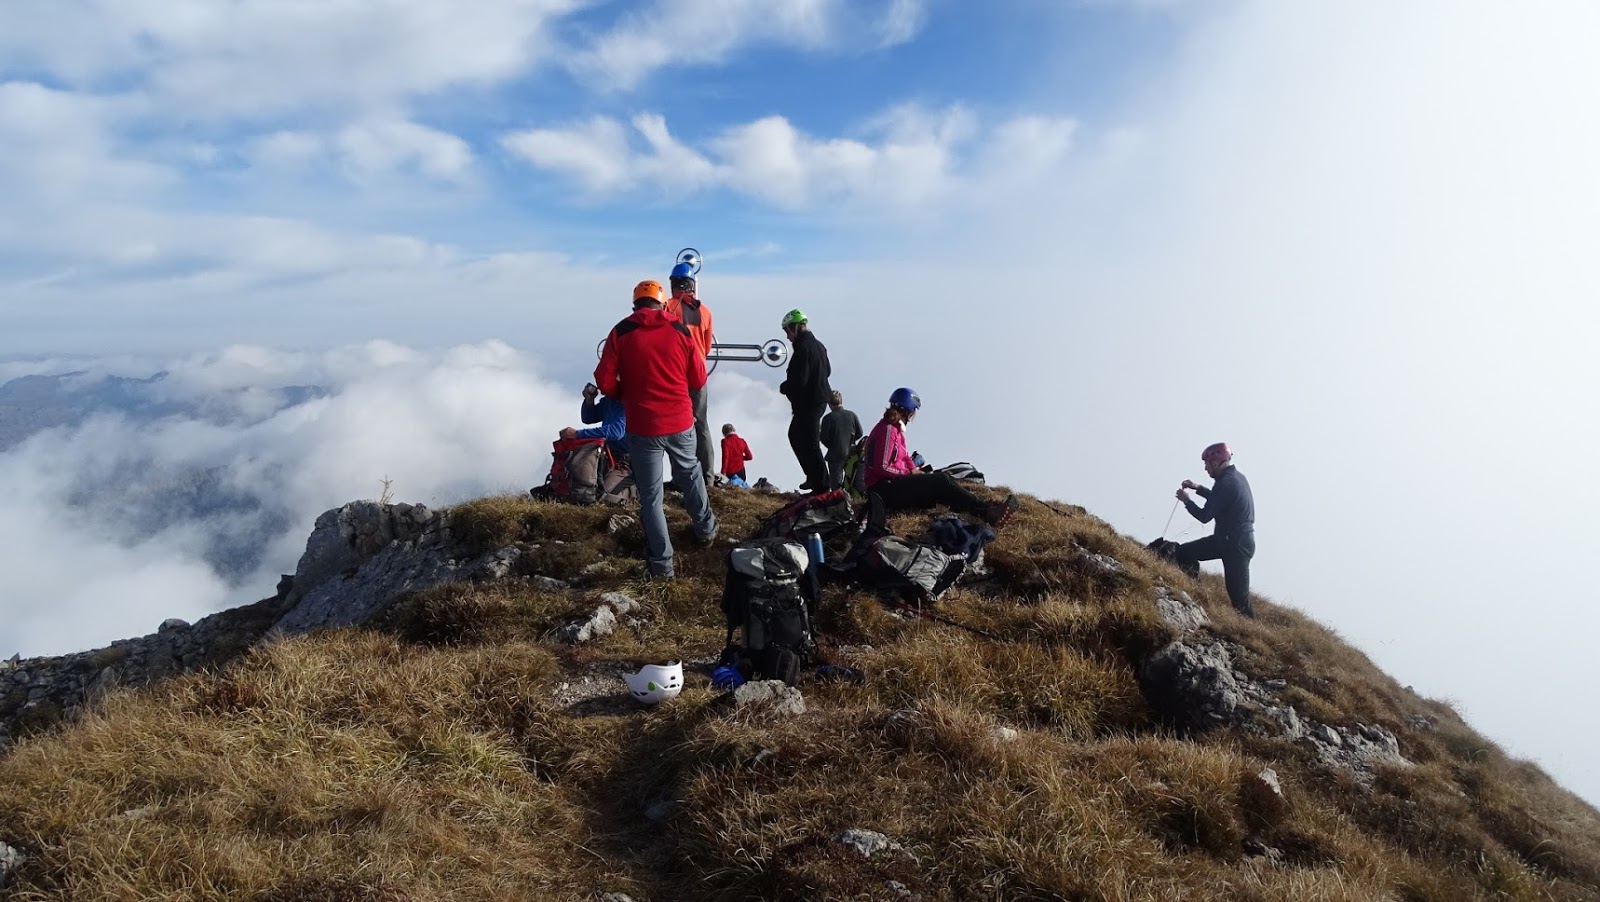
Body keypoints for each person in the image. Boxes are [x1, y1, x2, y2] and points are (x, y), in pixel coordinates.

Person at [595, 279, 719, 579]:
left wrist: (624, 393)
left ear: (635, 305)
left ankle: (662, 566)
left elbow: (605, 380)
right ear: (663, 304)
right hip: (679, 420)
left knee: (651, 497)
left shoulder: (621, 332)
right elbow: (699, 378)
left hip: (643, 425)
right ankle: (705, 528)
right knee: (690, 473)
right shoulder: (678, 329)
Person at [864, 387, 1019, 526]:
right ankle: (987, 511)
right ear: (910, 411)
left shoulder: (896, 430)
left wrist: (916, 471)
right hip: (883, 490)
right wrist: (908, 473)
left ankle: (981, 509)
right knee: (941, 481)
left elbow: (904, 457)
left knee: (941, 483)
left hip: (890, 485)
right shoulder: (888, 429)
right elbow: (882, 466)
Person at [1174, 442, 1257, 617]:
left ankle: (1253, 633)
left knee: (1239, 599)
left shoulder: (1225, 483)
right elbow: (1220, 501)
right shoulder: (1236, 478)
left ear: (1216, 462)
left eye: (1207, 464)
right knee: (1185, 553)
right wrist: (1198, 488)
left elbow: (1205, 516)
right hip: (1235, 541)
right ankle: (1194, 593)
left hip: (1232, 544)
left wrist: (1186, 501)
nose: (1205, 468)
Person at [664, 261, 716, 481]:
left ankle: (682, 476)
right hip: (699, 374)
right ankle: (707, 476)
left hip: (675, 375)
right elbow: (707, 346)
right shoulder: (705, 311)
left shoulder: (667, 307)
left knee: (676, 424)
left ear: (673, 284)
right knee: (701, 423)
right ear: (692, 284)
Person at [777, 308, 832, 492]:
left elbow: (800, 380)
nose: (787, 337)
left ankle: (822, 485)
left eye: (788, 331)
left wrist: (785, 387)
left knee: (809, 442)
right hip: (819, 399)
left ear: (795, 327)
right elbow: (828, 371)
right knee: (799, 437)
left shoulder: (803, 348)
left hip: (809, 402)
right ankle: (814, 478)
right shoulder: (819, 345)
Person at [559, 382, 627, 460]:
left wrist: (577, 434)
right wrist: (589, 400)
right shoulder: (609, 401)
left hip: (629, 460)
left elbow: (615, 432)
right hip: (609, 456)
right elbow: (588, 417)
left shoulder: (628, 402)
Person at [819, 390, 862, 491]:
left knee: (836, 484)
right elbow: (859, 432)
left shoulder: (827, 418)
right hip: (852, 451)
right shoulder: (852, 415)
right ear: (841, 401)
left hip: (835, 455)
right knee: (852, 479)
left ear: (829, 403)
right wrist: (850, 442)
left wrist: (833, 445)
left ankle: (839, 502)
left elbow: (824, 438)